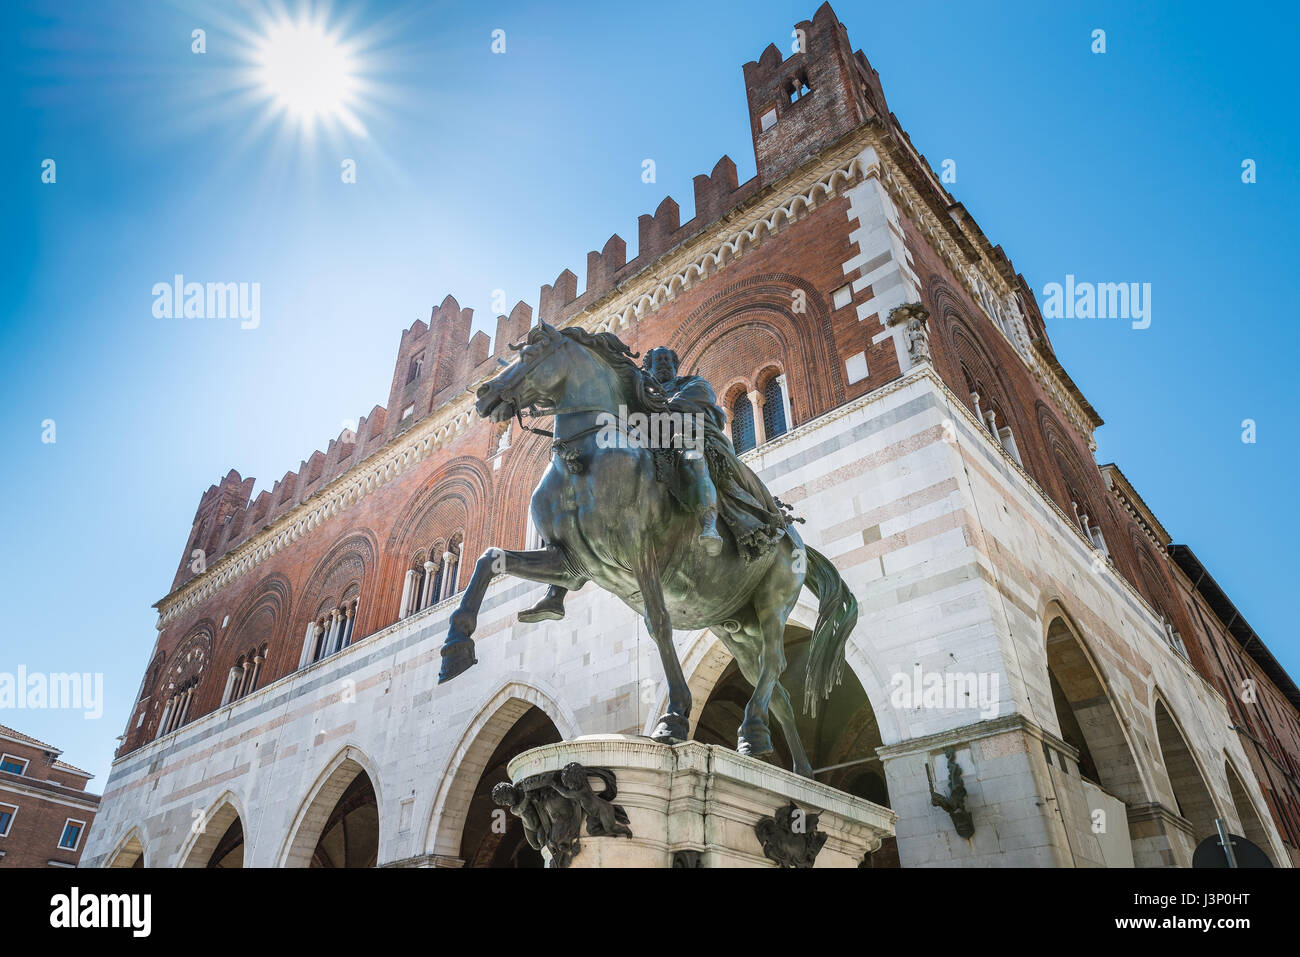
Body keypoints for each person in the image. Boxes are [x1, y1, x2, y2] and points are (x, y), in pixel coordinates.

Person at [518, 346, 791, 624]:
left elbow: (690, 405)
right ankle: (556, 589)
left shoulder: (691, 383)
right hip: (648, 442)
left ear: (674, 365)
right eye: (656, 361)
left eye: (667, 361)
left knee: (693, 458)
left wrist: (649, 409)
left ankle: (709, 523)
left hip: (683, 435)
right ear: (647, 366)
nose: (662, 365)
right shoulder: (639, 390)